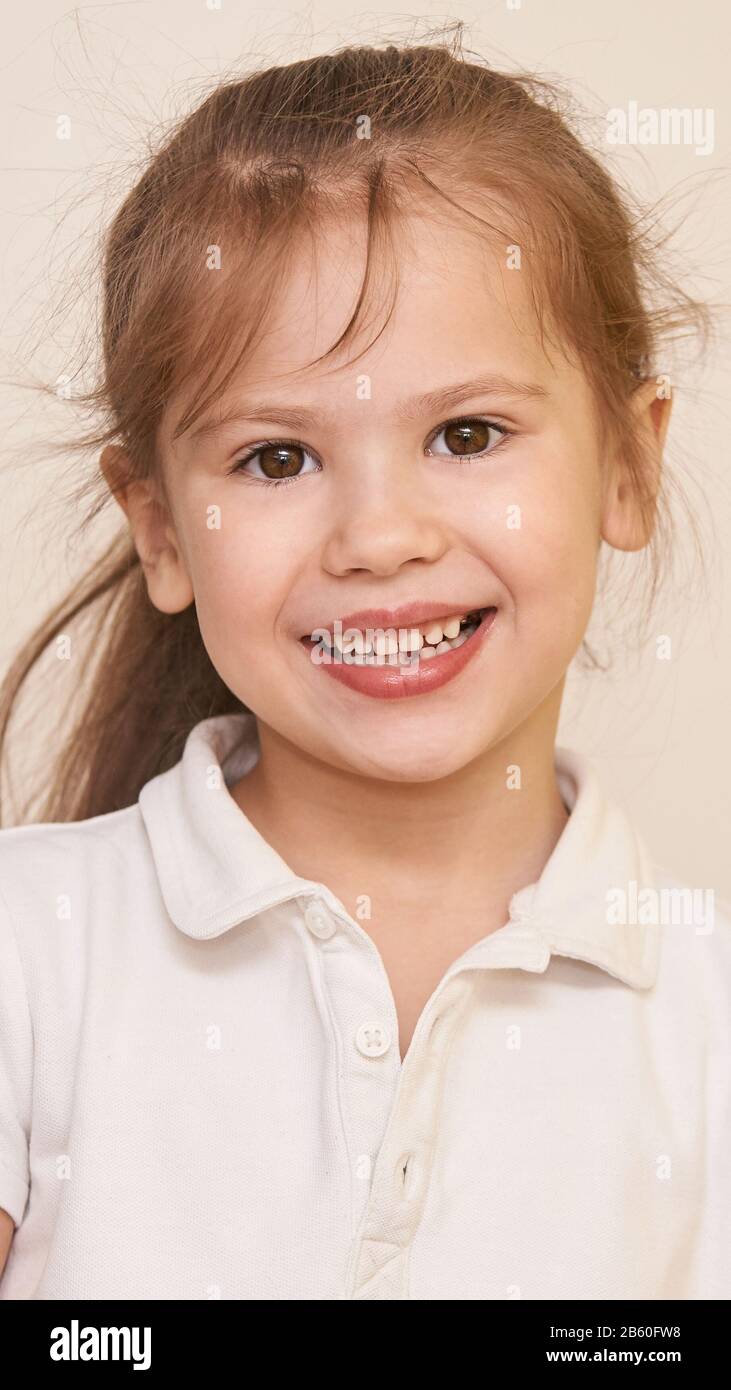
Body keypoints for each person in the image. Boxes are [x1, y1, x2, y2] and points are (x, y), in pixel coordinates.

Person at [0, 35, 727, 1301]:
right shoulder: (29, 958)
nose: (381, 537)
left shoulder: (704, 1031)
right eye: (277, 458)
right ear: (160, 525)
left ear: (627, 463)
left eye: (467, 433)